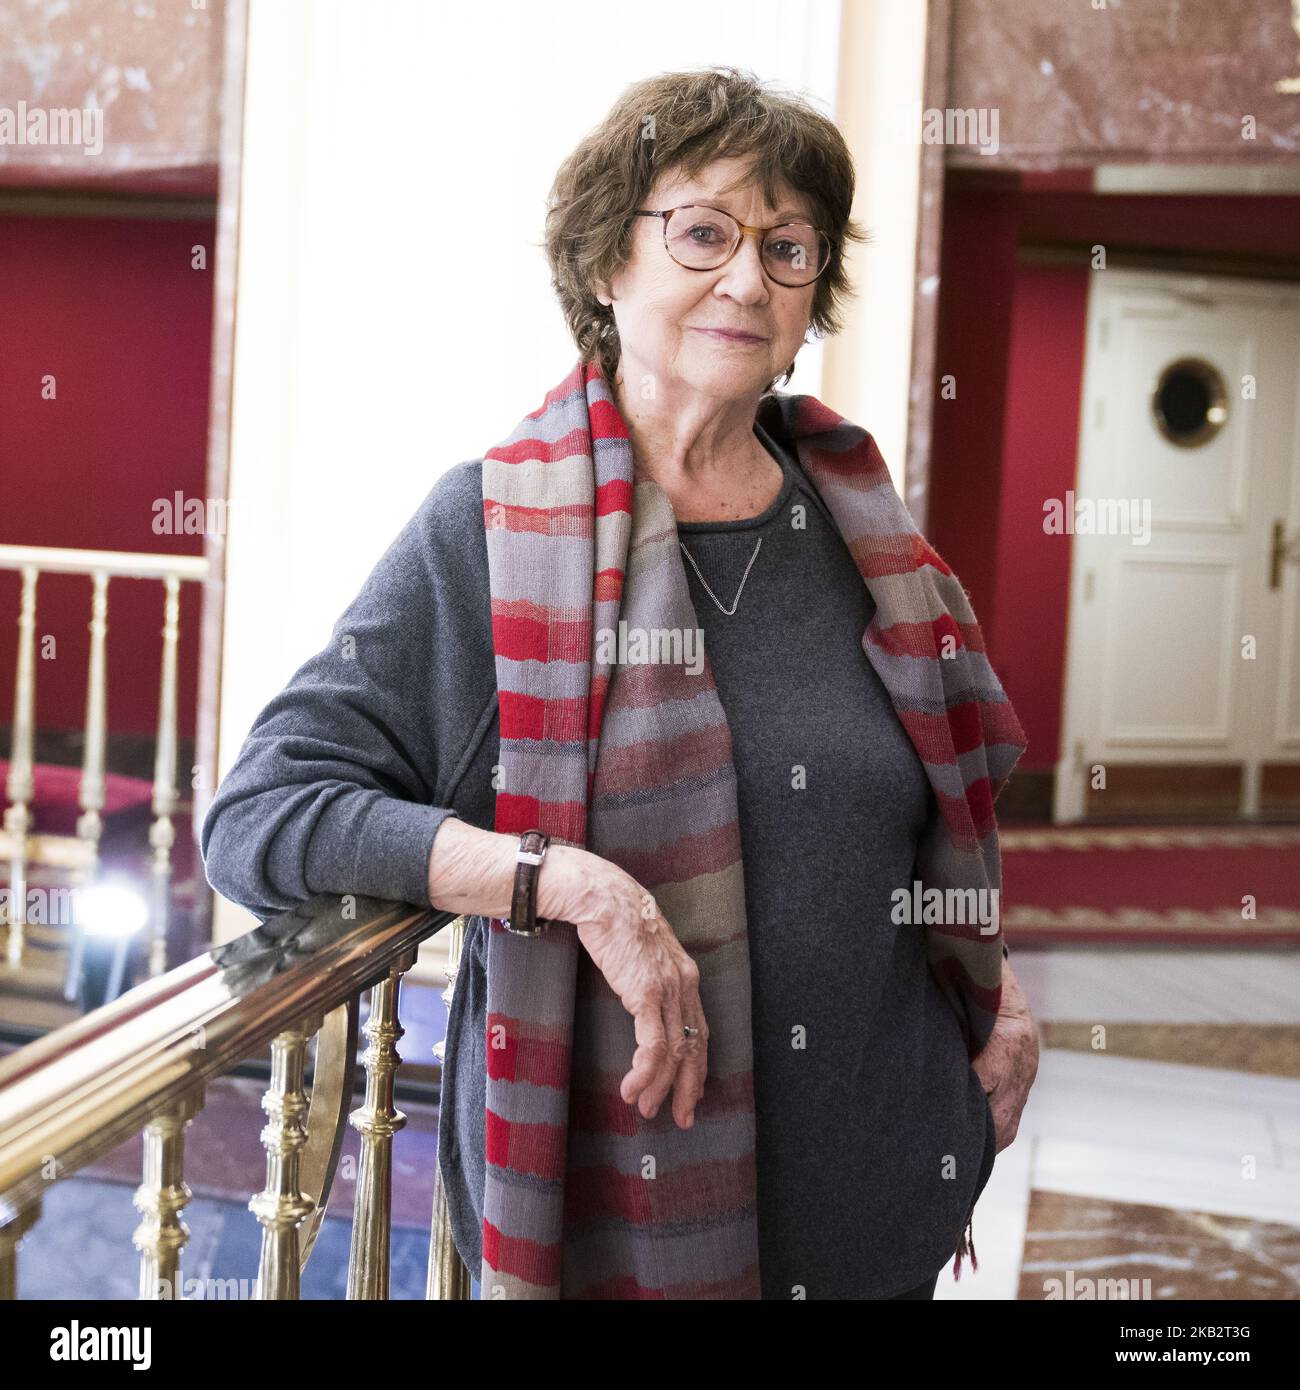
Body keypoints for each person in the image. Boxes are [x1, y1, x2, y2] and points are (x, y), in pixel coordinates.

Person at [202, 65, 1039, 1301]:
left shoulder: (866, 533)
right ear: (607, 263)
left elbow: (925, 824)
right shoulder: (491, 532)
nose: (747, 279)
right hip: (627, 1222)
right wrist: (562, 883)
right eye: (703, 233)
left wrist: (997, 984)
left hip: (881, 1184)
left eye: (788, 248)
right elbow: (259, 818)